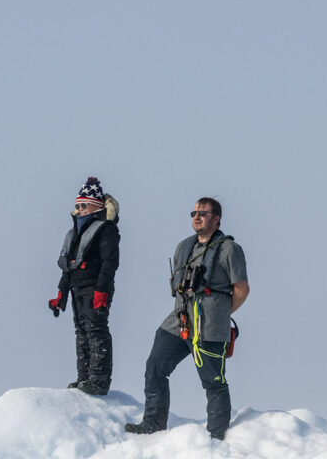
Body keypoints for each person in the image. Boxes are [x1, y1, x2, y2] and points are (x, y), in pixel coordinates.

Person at [125, 197, 249, 440]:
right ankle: (153, 424)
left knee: (213, 380)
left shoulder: (229, 250)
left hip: (210, 325)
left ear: (216, 219)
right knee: (156, 366)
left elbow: (242, 290)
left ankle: (216, 435)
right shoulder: (184, 246)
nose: (196, 216)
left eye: (203, 213)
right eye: (194, 212)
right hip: (180, 320)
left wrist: (221, 315)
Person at [49, 177, 119, 395]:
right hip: (76, 288)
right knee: (81, 331)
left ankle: (98, 380)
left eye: (83, 205)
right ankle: (84, 378)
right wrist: (61, 294)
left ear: (96, 207)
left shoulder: (106, 230)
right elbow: (67, 268)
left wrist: (102, 292)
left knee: (96, 330)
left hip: (96, 287)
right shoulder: (75, 234)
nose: (78, 210)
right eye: (77, 206)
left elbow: (110, 263)